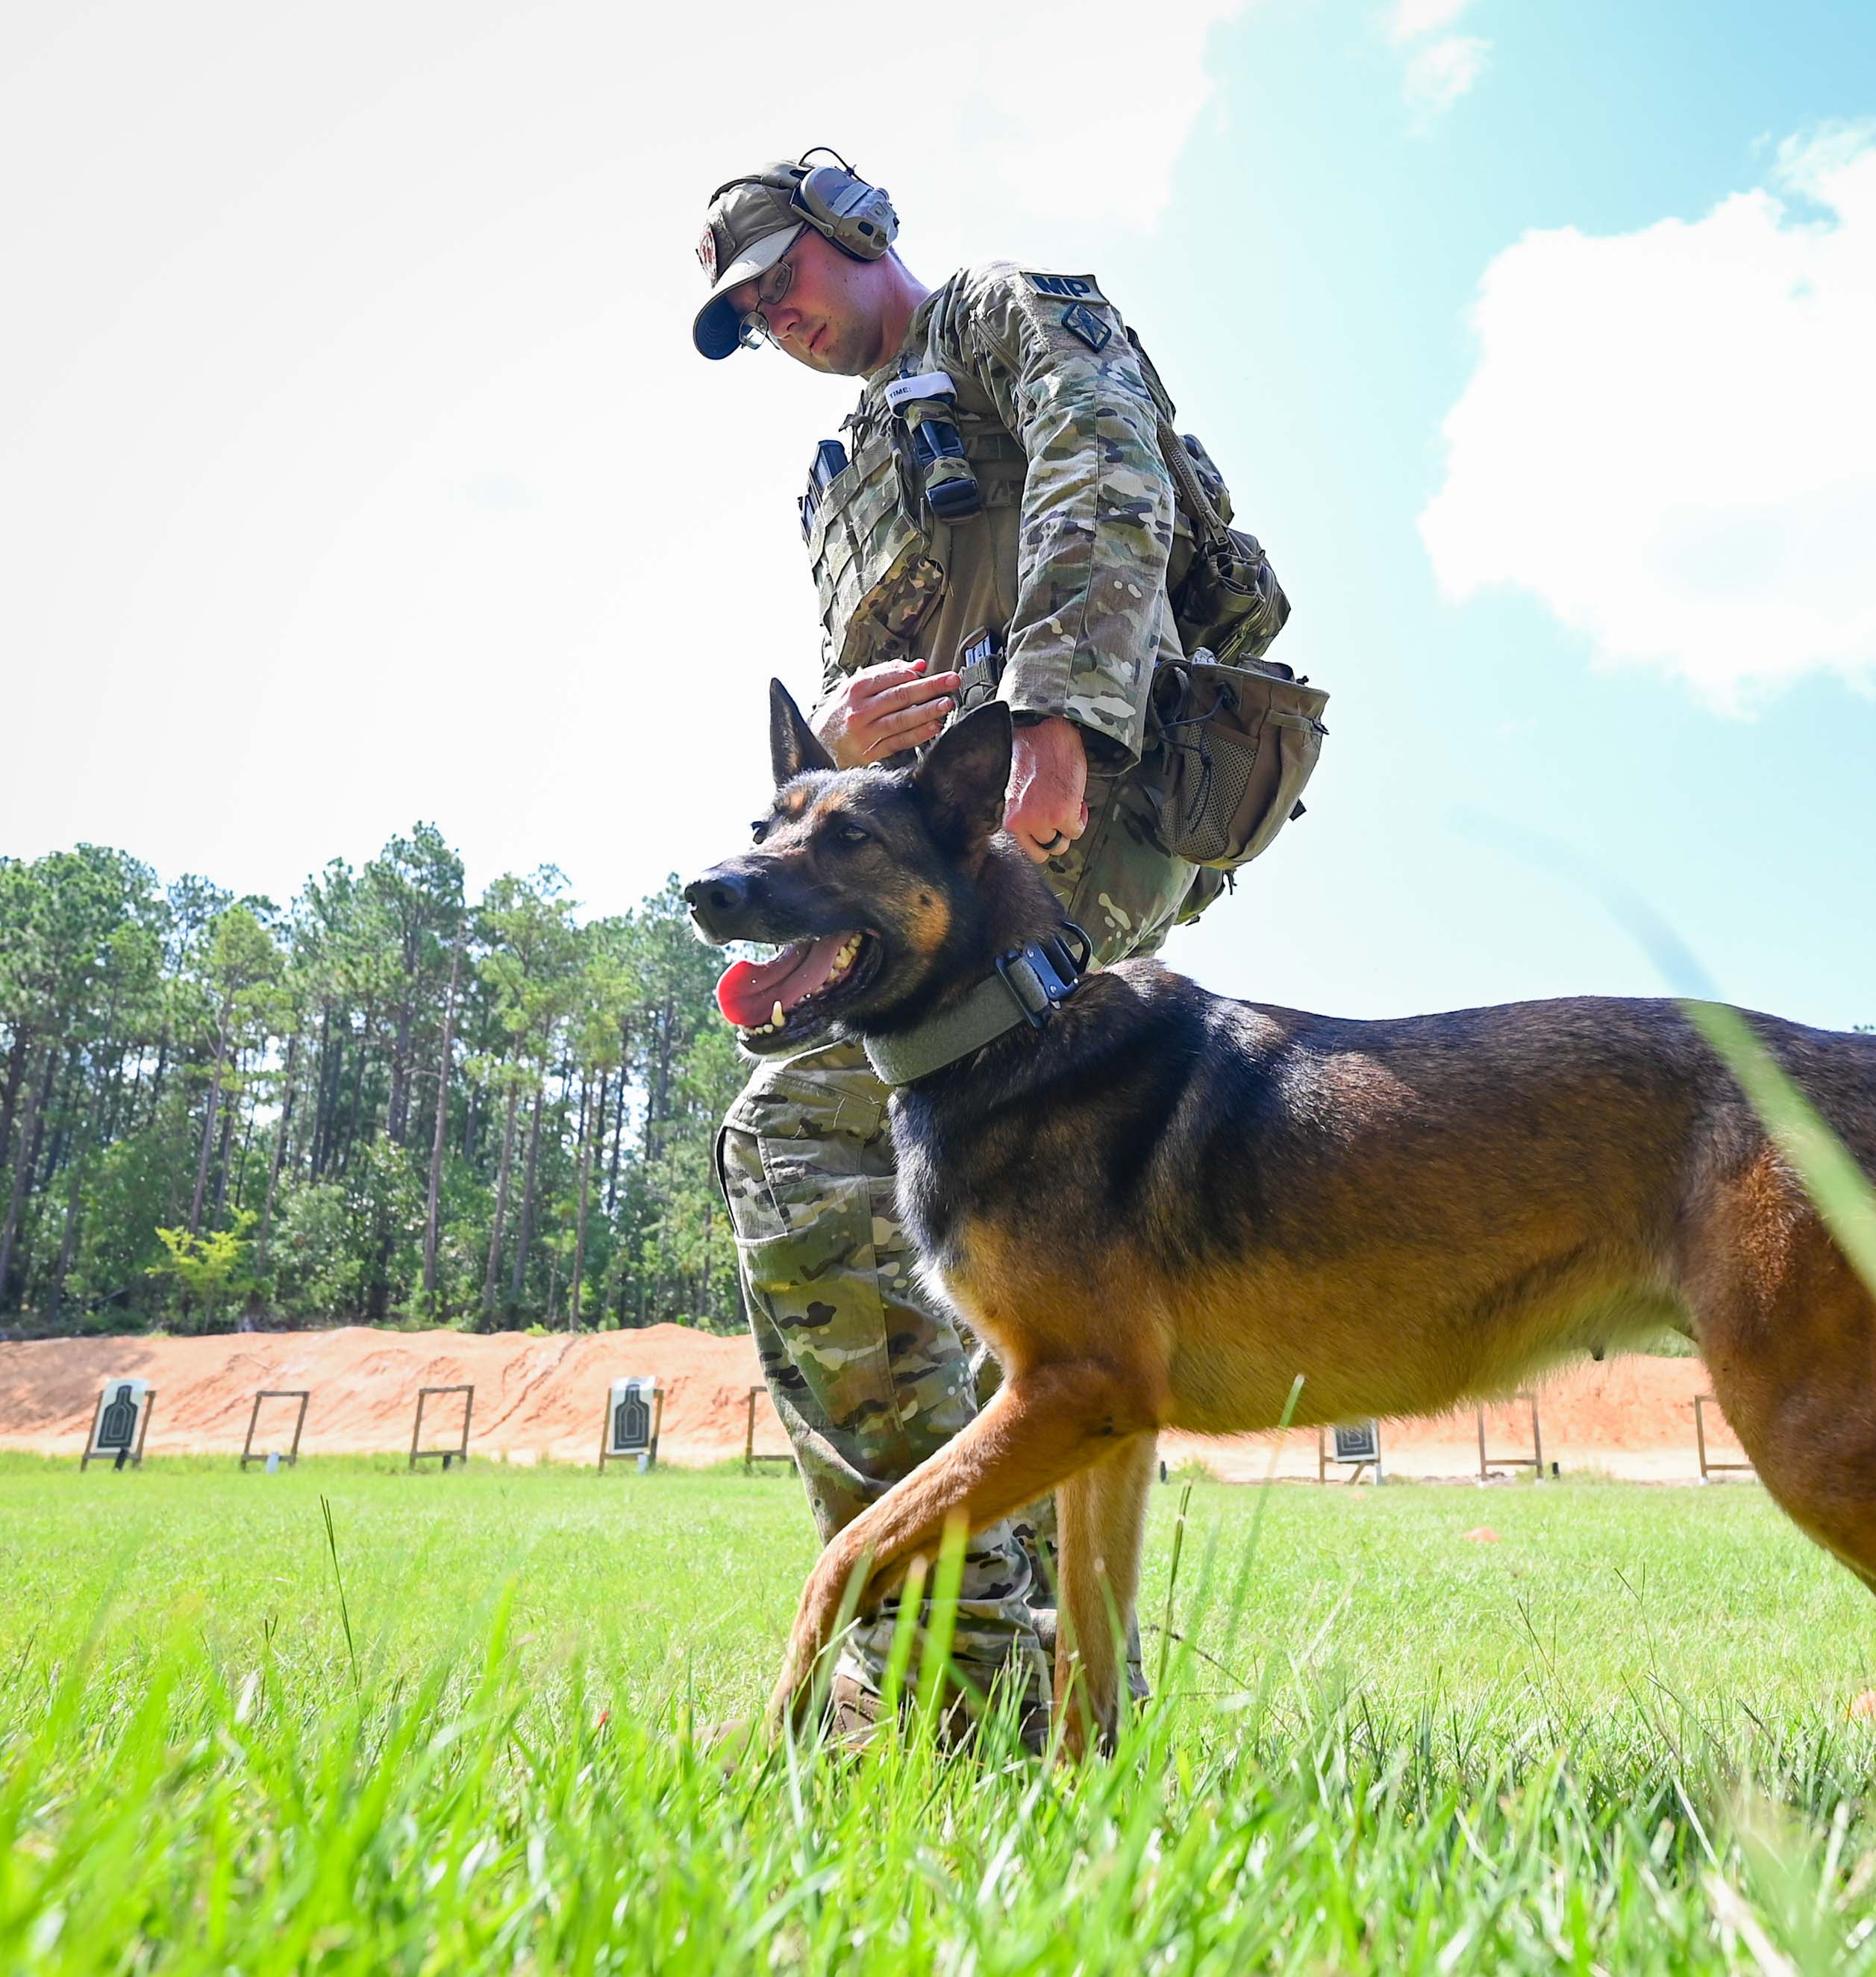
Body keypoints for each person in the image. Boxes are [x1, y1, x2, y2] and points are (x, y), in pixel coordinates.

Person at [692, 151, 1249, 1748]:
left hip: (1076, 816)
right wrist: (847, 722)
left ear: (857, 229)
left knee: (804, 1136)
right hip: (946, 843)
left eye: (778, 276)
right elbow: (879, 713)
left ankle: (960, 1653)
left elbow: (1108, 463)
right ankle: (1020, 1656)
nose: (772, 317)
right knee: (874, 1175)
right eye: (742, 317)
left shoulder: (1010, 315)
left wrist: (1062, 717)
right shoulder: (846, 470)